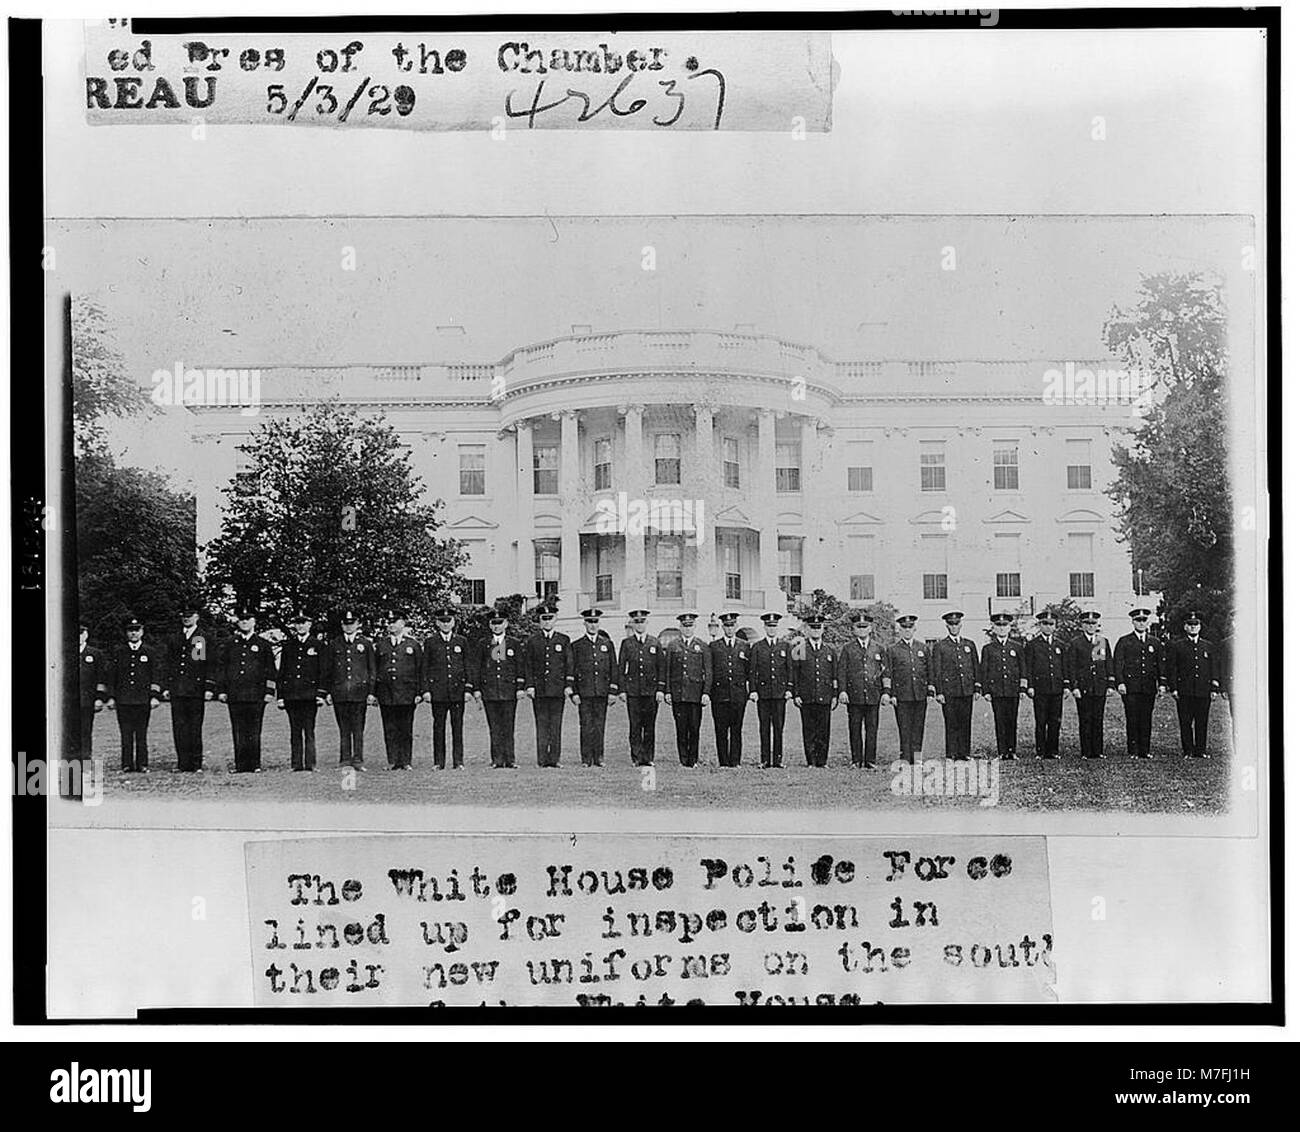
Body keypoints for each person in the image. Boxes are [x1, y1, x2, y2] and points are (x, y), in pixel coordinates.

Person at [216, 605, 277, 772]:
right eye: (241, 620)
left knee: (254, 729)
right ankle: (240, 764)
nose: (244, 622)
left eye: (247, 620)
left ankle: (254, 764)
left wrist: (269, 692)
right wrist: (221, 690)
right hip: (235, 695)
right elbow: (222, 668)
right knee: (238, 729)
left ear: (254, 622)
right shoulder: (230, 643)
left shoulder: (263, 645)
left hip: (256, 695)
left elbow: (270, 670)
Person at [105, 616, 161, 772]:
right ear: (126, 633)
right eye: (130, 630)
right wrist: (110, 697)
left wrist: (155, 696)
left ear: (142, 632)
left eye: (137, 630)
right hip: (123, 700)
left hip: (143, 700)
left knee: (141, 734)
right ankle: (127, 764)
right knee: (126, 734)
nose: (133, 633)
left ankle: (142, 764)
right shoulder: (119, 651)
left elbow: (156, 675)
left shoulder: (150, 652)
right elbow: (111, 676)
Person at [836, 612, 888, 768]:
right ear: (853, 629)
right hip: (855, 695)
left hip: (873, 695)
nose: (862, 630)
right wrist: (843, 691)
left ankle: (870, 760)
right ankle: (856, 760)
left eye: (865, 627)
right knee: (855, 728)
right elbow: (842, 671)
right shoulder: (848, 649)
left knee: (872, 729)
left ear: (870, 629)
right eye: (859, 627)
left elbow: (885, 672)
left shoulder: (879, 648)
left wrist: (886, 692)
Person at [475, 609, 526, 768]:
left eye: (500, 623)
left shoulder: (514, 643)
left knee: (508, 726)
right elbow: (477, 667)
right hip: (490, 691)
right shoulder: (483, 644)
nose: (497, 626)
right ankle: (497, 759)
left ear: (506, 624)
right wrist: (477, 689)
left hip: (508, 691)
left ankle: (510, 759)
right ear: (490, 625)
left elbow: (520, 667)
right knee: (494, 727)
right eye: (494, 623)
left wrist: (519, 687)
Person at [325, 609, 376, 769]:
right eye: (346, 624)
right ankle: (345, 759)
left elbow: (372, 669)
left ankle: (358, 759)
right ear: (341, 625)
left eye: (352, 623)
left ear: (358, 624)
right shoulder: (334, 644)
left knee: (358, 728)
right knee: (343, 728)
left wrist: (371, 692)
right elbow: (329, 670)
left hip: (359, 693)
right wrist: (327, 692)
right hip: (340, 693)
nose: (349, 627)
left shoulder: (365, 644)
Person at [162, 604, 211, 772]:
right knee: (179, 727)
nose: (187, 618)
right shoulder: (174, 638)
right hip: (178, 689)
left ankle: (196, 763)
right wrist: (167, 686)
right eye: (184, 615)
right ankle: (183, 763)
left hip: (196, 690)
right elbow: (168, 663)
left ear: (197, 617)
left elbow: (206, 664)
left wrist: (208, 687)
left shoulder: (202, 637)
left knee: (195, 727)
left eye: (190, 615)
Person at [375, 609, 424, 770]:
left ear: (403, 623)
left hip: (406, 693)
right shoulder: (381, 644)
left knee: (405, 728)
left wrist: (418, 692)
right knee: (389, 728)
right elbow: (376, 670)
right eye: (389, 622)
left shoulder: (413, 645)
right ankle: (392, 761)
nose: (391, 625)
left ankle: (406, 761)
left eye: (395, 622)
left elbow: (420, 670)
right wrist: (375, 693)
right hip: (386, 693)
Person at [569, 609, 619, 766]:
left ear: (599, 623)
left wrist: (612, 692)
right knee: (586, 725)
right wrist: (574, 693)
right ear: (584, 623)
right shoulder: (577, 645)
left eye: (595, 622)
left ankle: (599, 757)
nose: (592, 625)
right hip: (584, 693)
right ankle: (586, 759)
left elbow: (614, 669)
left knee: (599, 726)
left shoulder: (607, 644)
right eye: (589, 622)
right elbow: (572, 670)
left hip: (602, 692)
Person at [277, 610, 325, 771]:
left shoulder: (317, 645)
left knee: (309, 730)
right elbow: (282, 672)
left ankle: (310, 763)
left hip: (310, 696)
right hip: (292, 695)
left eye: (303, 623)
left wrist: (320, 694)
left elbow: (322, 672)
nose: (300, 626)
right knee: (295, 731)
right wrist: (281, 696)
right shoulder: (289, 646)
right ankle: (296, 764)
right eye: (297, 623)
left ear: (309, 625)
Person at [1167, 611, 1221, 758]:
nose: (1193, 627)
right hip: (1185, 691)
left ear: (1200, 627)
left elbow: (1214, 668)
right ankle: (1188, 750)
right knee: (1185, 722)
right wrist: (1174, 688)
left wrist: (1214, 687)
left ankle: (1201, 750)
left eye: (1195, 624)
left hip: (1203, 691)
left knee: (1202, 721)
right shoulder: (1177, 646)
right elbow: (1172, 669)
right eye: (1190, 625)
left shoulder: (1208, 646)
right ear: (1185, 627)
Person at [424, 607, 472, 769]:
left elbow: (467, 666)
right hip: (438, 692)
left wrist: (468, 689)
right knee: (439, 727)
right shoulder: (430, 642)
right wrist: (426, 690)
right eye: (442, 621)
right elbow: (425, 668)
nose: (445, 624)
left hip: (457, 692)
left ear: (454, 622)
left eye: (448, 621)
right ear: (437, 623)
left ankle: (458, 761)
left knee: (457, 727)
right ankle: (439, 762)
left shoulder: (461, 641)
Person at [1113, 607, 1164, 759]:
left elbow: (1160, 664)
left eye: (1144, 620)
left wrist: (1161, 684)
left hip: (1148, 687)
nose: (1141, 623)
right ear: (1133, 622)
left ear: (1148, 622)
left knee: (1146, 718)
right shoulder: (1125, 641)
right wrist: (1120, 683)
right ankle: (1133, 750)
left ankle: (1145, 750)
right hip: (1131, 687)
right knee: (1132, 717)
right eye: (1138, 620)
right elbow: (1118, 664)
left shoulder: (1155, 642)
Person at [524, 604, 572, 767]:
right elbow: (528, 665)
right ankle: (542, 759)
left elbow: (568, 664)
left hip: (558, 689)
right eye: (544, 619)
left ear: (555, 619)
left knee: (556, 725)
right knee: (542, 724)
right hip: (539, 690)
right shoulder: (532, 641)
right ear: (539, 621)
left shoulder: (563, 640)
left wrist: (568, 685)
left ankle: (555, 759)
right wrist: (529, 685)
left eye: (550, 618)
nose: (547, 622)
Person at [662, 612, 711, 767]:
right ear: (680, 627)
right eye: (684, 626)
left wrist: (706, 692)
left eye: (690, 626)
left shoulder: (702, 646)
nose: (687, 629)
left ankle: (693, 759)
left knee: (694, 728)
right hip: (679, 693)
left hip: (696, 694)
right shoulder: (673, 646)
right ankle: (683, 759)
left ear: (695, 626)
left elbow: (708, 671)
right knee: (681, 728)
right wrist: (668, 691)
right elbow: (668, 671)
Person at [931, 610, 980, 760]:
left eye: (956, 624)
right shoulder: (940, 646)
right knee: (951, 722)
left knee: (965, 722)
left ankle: (964, 753)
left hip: (966, 690)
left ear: (961, 624)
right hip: (949, 691)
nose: (954, 627)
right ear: (946, 625)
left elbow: (975, 667)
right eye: (951, 624)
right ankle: (951, 753)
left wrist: (977, 688)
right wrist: (939, 691)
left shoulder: (969, 644)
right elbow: (936, 670)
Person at [1067, 610, 1114, 759]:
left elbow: (1107, 664)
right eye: (1087, 623)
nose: (1091, 626)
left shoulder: (1101, 641)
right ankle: (1086, 751)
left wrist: (1110, 685)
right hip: (1083, 687)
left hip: (1099, 686)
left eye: (1093, 623)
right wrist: (1075, 687)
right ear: (1082, 625)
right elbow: (1072, 666)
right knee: (1085, 718)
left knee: (1098, 719)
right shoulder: (1076, 643)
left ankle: (1098, 751)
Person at [749, 612, 793, 768]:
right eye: (769, 626)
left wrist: (789, 689)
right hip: (763, 694)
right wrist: (753, 690)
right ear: (764, 627)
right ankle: (765, 759)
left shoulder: (785, 646)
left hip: (780, 694)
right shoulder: (757, 647)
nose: (771, 629)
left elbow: (790, 670)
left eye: (774, 626)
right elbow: (752, 671)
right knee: (764, 727)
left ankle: (778, 760)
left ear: (777, 627)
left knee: (779, 727)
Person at [979, 613, 1026, 758]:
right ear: (993, 628)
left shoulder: (1017, 647)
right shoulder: (988, 648)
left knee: (1012, 720)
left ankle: (1012, 751)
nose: (1001, 629)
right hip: (997, 691)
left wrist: (1022, 688)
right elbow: (984, 671)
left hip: (1012, 690)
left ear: (1009, 627)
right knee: (999, 720)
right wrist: (986, 691)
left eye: (1004, 625)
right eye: (998, 626)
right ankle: (1002, 751)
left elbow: (1023, 669)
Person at [885, 614, 931, 763]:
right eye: (904, 628)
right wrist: (891, 694)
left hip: (919, 694)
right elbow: (888, 673)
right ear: (899, 630)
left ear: (915, 628)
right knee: (904, 727)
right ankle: (905, 757)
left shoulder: (922, 647)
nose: (907, 630)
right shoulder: (893, 650)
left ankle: (917, 758)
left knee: (918, 727)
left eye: (910, 627)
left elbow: (929, 671)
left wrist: (929, 690)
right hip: (902, 695)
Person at [793, 614, 837, 767]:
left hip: (824, 696)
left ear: (823, 629)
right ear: (807, 629)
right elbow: (795, 673)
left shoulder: (830, 650)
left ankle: (822, 761)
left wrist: (834, 695)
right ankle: (811, 761)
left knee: (824, 730)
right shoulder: (800, 648)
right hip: (807, 696)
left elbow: (834, 675)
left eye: (819, 627)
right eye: (813, 627)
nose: (816, 631)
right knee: (809, 730)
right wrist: (796, 694)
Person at [618, 610, 661, 766]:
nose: (640, 625)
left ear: (646, 623)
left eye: (642, 621)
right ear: (633, 624)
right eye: (637, 622)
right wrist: (622, 690)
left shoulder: (654, 642)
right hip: (633, 691)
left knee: (649, 726)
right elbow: (621, 668)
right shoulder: (627, 643)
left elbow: (660, 668)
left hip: (650, 692)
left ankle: (648, 757)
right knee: (635, 725)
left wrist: (660, 690)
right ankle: (636, 757)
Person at [708, 612, 750, 766]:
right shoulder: (714, 646)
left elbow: (748, 671)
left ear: (736, 626)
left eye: (732, 625)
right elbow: (710, 670)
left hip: (738, 695)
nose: (730, 628)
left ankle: (735, 761)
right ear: (722, 627)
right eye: (726, 625)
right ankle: (723, 761)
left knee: (736, 729)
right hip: (719, 695)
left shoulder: (744, 646)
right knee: (721, 729)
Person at [1025, 610, 1067, 759]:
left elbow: (1064, 667)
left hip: (1056, 688)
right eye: (1045, 624)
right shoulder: (1032, 645)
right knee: (1041, 721)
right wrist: (1029, 686)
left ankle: (1053, 751)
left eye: (1051, 624)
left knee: (1055, 721)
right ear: (1040, 625)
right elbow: (1028, 667)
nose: (1048, 627)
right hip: (1040, 689)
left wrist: (1066, 686)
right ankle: (1041, 751)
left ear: (1055, 626)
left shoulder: (1060, 645)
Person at [77, 623, 107, 764]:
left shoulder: (95, 654)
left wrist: (99, 698)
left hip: (87, 700)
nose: (78, 636)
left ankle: (85, 759)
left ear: (86, 635)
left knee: (85, 731)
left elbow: (101, 677)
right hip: (68, 702)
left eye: (81, 633)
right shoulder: (62, 651)